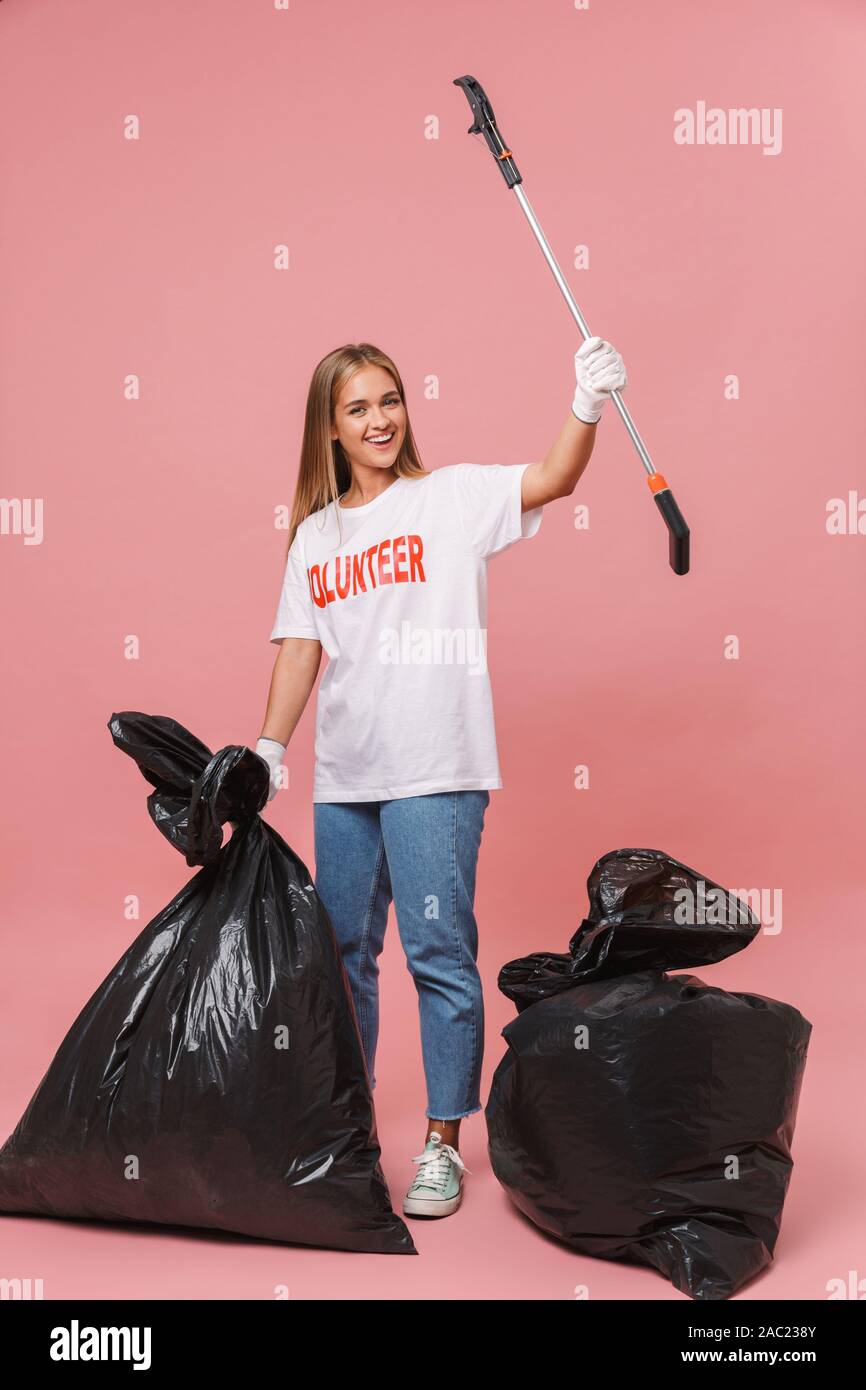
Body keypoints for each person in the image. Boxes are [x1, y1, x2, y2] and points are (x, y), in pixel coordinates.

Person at [256, 335, 627, 1219]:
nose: (380, 418)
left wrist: (585, 404)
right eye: (359, 408)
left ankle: (439, 1146)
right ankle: (346, 1130)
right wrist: (270, 747)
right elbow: (302, 649)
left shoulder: (450, 498)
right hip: (347, 777)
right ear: (331, 430)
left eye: (390, 400)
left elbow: (551, 478)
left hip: (437, 770)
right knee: (343, 960)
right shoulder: (316, 534)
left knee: (438, 956)